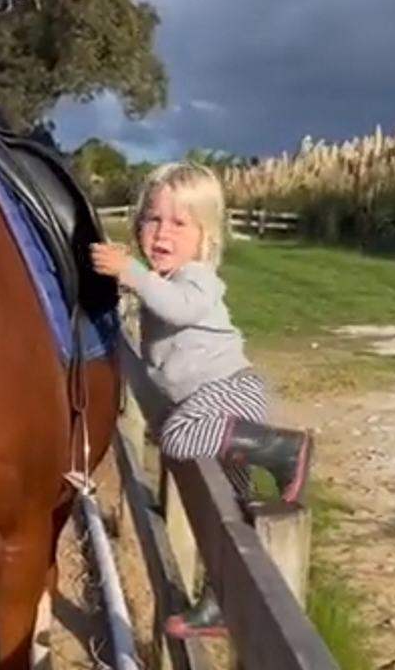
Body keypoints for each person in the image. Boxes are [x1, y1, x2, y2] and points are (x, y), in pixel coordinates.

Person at [89, 162, 315, 639]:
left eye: (178, 223)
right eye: (152, 219)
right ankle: (222, 596)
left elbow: (180, 309)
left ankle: (284, 450)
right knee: (230, 509)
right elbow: (152, 360)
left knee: (175, 438)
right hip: (210, 408)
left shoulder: (196, 280)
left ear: (205, 236)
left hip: (227, 394)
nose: (161, 233)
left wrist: (130, 272)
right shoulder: (162, 284)